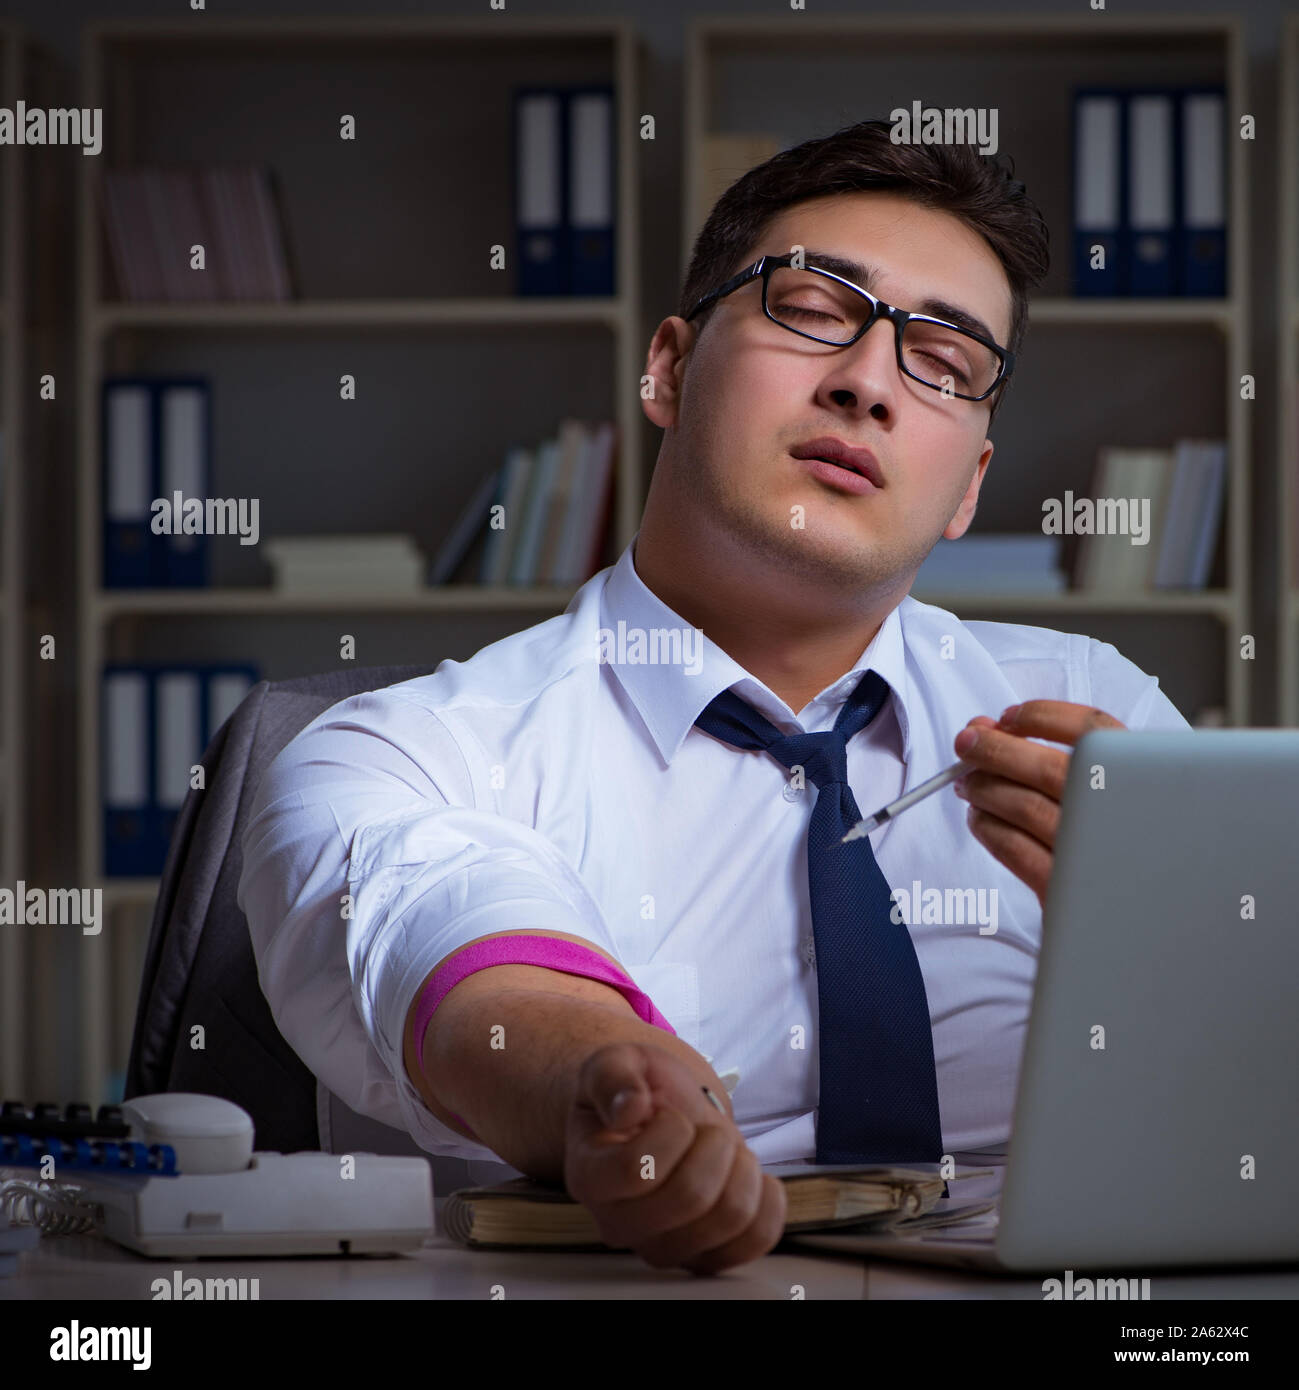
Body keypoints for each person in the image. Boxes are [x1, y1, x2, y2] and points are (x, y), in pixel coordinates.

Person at [238, 119, 1189, 1277]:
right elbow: (458, 936)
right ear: (671, 368)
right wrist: (614, 1083)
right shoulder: (401, 751)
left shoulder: (1095, 717)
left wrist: (1166, 937)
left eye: (943, 363)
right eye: (815, 308)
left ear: (967, 489)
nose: (869, 384)